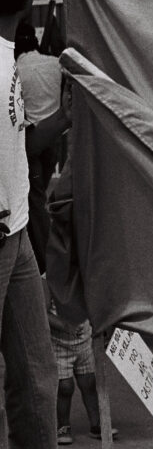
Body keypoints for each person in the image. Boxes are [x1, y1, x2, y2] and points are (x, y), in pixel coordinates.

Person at [0, 0, 59, 449]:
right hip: (3, 234)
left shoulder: (8, 61)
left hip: (16, 236)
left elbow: (22, 143)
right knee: (30, 386)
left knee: (37, 382)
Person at [14, 22, 67, 273]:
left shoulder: (16, 70)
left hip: (31, 139)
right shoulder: (54, 64)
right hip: (54, 137)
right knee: (40, 196)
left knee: (35, 200)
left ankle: (44, 260)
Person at [47, 297, 114, 445]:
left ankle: (97, 423)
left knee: (89, 383)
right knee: (65, 387)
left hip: (84, 341)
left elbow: (96, 303)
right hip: (59, 344)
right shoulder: (49, 281)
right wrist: (64, 325)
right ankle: (63, 426)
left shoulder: (83, 277)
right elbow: (43, 314)